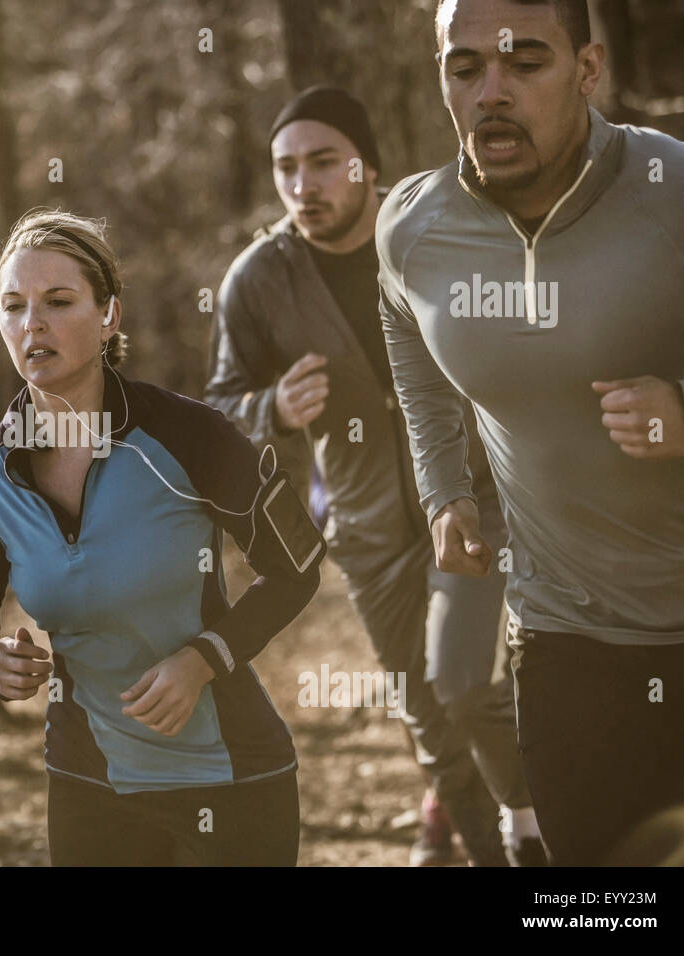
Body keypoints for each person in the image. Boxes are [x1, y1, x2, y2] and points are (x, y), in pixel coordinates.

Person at [378, 0, 684, 865]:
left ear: (589, 71)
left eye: (525, 63)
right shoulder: (414, 229)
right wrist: (443, 483)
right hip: (568, 636)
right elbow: (405, 333)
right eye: (466, 67)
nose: (492, 91)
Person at [206, 86, 542, 866]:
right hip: (364, 530)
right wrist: (271, 410)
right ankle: (491, 848)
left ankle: (531, 828)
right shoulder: (257, 280)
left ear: (367, 166)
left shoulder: (441, 227)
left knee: (470, 683)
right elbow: (219, 405)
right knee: (430, 723)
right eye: (287, 168)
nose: (303, 186)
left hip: (474, 498)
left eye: (324, 163)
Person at [0, 208, 323, 866]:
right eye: (13, 305)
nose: (34, 323)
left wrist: (203, 658)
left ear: (110, 315)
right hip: (90, 783)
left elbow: (299, 566)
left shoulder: (189, 437)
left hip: (230, 776)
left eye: (59, 302)